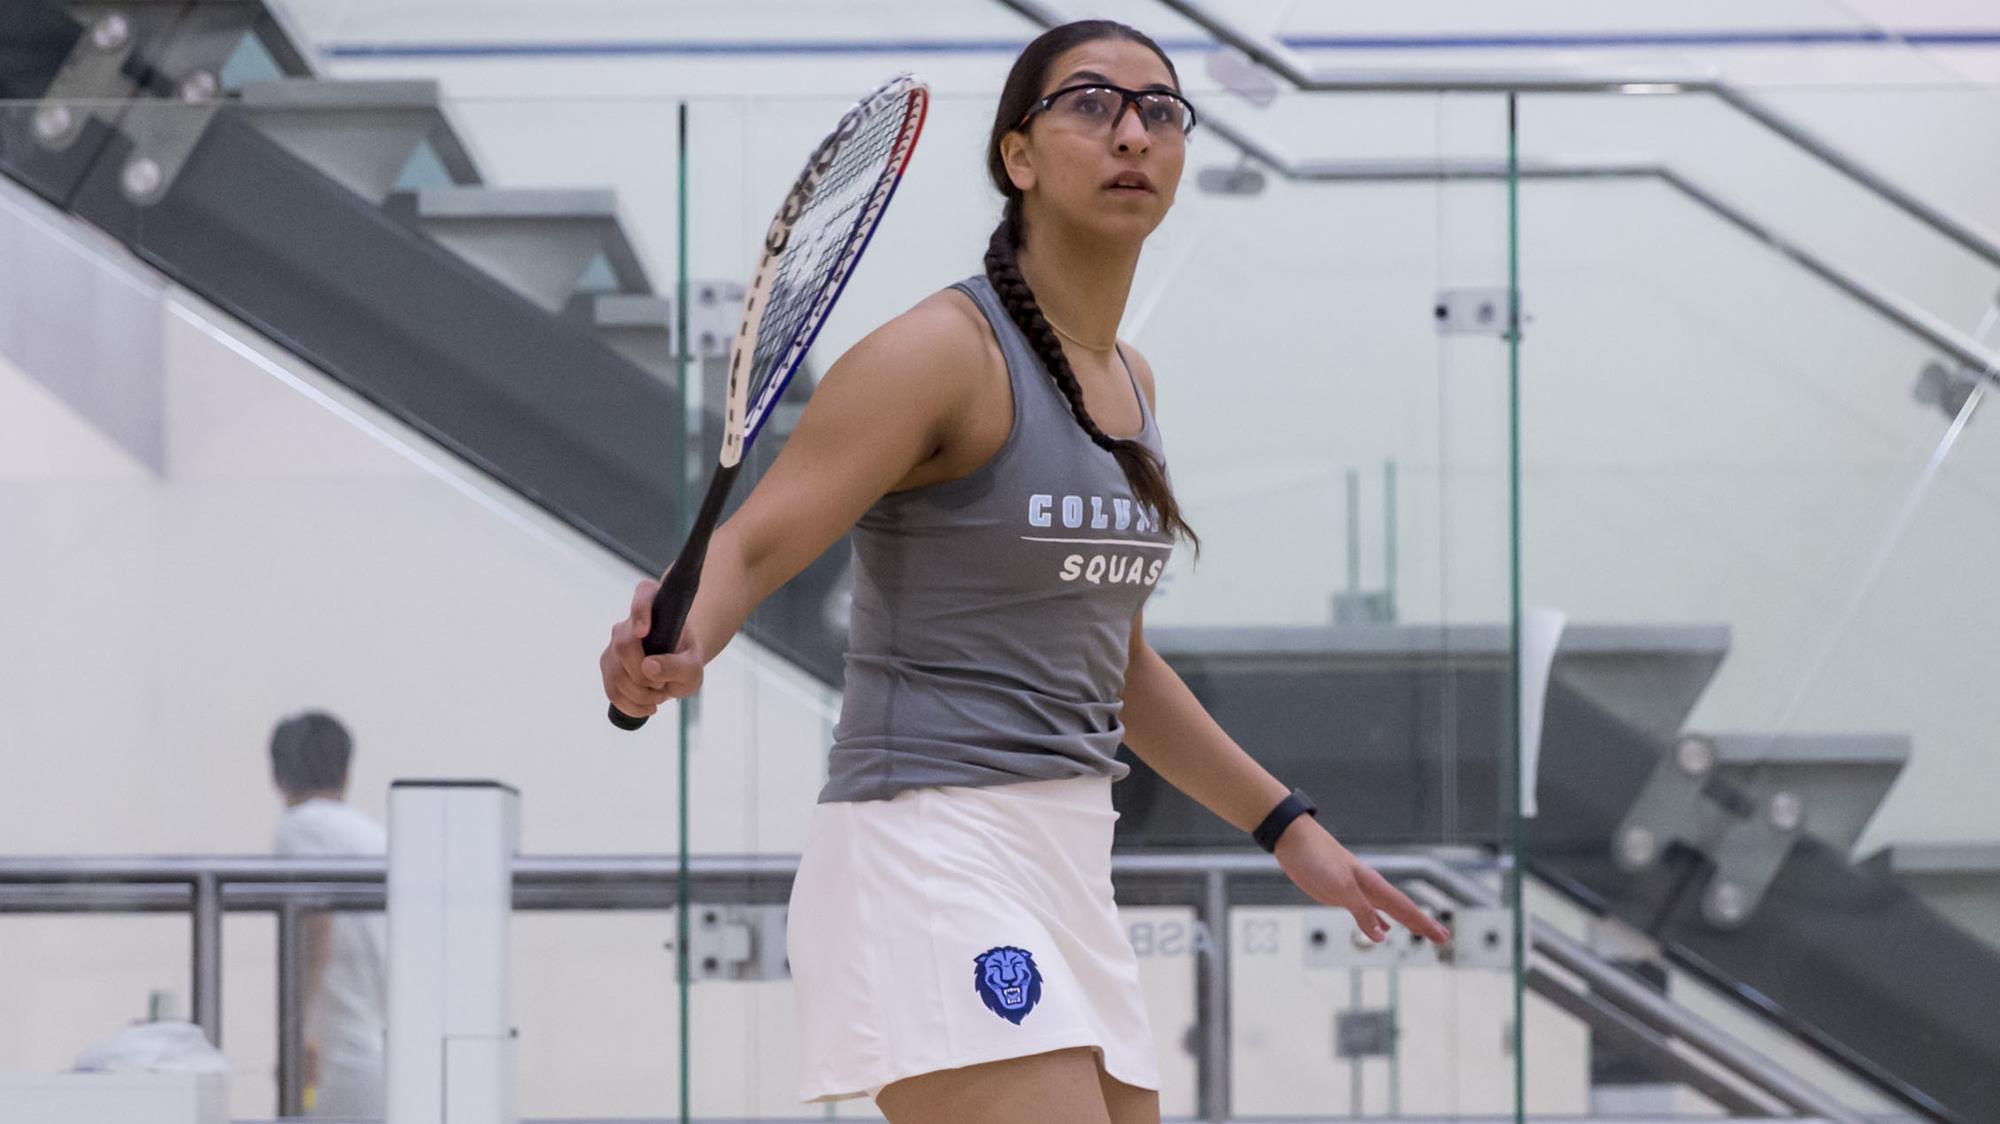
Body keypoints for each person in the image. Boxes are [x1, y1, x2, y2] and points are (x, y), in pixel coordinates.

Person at [599, 20, 1453, 1124]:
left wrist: (1289, 827)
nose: (1132, 133)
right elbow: (754, 544)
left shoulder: (1131, 383)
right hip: (927, 845)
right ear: (1018, 156)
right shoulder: (938, 353)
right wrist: (680, 643)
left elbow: (1113, 662)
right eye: (1091, 104)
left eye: (1159, 110)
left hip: (1067, 861)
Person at [269, 710, 388, 1119]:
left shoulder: (298, 828)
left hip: (342, 1051)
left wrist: (297, 1030)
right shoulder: (373, 836)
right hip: (390, 1046)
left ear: (278, 777)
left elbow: (317, 923)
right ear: (346, 773)